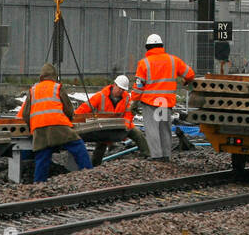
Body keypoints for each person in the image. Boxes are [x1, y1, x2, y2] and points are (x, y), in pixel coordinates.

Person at [16, 63, 93, 183]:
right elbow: (68, 109)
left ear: (41, 77)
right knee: (78, 147)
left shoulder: (33, 90)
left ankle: (39, 186)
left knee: (42, 158)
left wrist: (33, 128)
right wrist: (68, 122)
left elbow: (26, 114)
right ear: (54, 76)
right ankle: (89, 176)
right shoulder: (57, 87)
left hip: (39, 128)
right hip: (58, 125)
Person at [133, 34, 194, 162]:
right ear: (161, 46)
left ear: (147, 48)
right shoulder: (173, 60)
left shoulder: (144, 63)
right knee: (165, 128)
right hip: (166, 101)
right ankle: (166, 155)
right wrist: (186, 81)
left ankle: (156, 156)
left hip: (150, 102)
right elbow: (190, 74)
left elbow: (139, 85)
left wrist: (135, 100)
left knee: (152, 129)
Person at [74, 75, 149, 164]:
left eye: (123, 89)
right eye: (119, 88)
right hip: (102, 126)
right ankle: (95, 165)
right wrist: (74, 118)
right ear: (114, 85)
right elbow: (84, 108)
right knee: (102, 144)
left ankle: (147, 155)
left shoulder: (127, 98)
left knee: (137, 134)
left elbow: (129, 114)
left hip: (119, 125)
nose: (121, 91)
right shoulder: (100, 96)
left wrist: (126, 126)